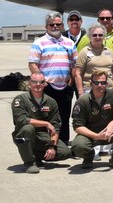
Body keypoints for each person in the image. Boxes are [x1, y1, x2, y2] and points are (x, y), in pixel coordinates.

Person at [28, 11, 77, 145]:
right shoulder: (39, 43)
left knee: (65, 117)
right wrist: (41, 82)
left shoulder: (69, 43)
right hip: (47, 87)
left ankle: (63, 143)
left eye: (58, 24)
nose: (55, 27)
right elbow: (32, 64)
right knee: (47, 117)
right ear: (46, 26)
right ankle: (47, 144)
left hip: (65, 87)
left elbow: (74, 63)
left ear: (62, 26)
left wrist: (71, 80)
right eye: (52, 24)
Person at [71, 70, 113, 170]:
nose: (100, 85)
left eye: (103, 82)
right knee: (78, 146)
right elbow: (77, 126)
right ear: (91, 83)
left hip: (111, 133)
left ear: (107, 83)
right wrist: (96, 136)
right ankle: (88, 157)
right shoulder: (83, 101)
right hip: (90, 135)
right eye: (96, 83)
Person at [11, 73, 70, 173]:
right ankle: (29, 162)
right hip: (24, 134)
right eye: (34, 82)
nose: (38, 84)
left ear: (45, 84)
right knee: (28, 128)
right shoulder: (20, 99)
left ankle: (37, 156)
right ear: (29, 84)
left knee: (65, 152)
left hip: (42, 136)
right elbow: (21, 119)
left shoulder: (51, 101)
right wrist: (46, 124)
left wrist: (52, 147)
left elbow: (55, 126)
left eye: (41, 82)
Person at [79, 9, 113, 91]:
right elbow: (77, 60)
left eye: (108, 18)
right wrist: (79, 90)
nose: (105, 20)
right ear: (98, 20)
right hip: (91, 86)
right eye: (102, 18)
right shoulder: (87, 37)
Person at [74, 22, 113, 97]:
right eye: (94, 35)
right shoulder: (84, 52)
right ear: (89, 36)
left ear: (104, 36)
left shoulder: (109, 51)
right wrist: (81, 93)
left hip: (108, 89)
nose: (97, 37)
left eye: (100, 35)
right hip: (90, 90)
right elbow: (77, 74)